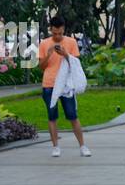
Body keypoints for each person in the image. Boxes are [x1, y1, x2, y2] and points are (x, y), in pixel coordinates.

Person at [38, 16, 90, 158]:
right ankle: (55, 147)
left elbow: (76, 64)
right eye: (54, 33)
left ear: (64, 30)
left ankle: (83, 146)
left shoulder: (71, 42)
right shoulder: (44, 43)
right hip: (49, 84)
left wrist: (65, 54)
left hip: (66, 85)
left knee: (73, 115)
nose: (57, 36)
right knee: (52, 117)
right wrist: (49, 54)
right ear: (50, 30)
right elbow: (41, 66)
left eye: (60, 33)